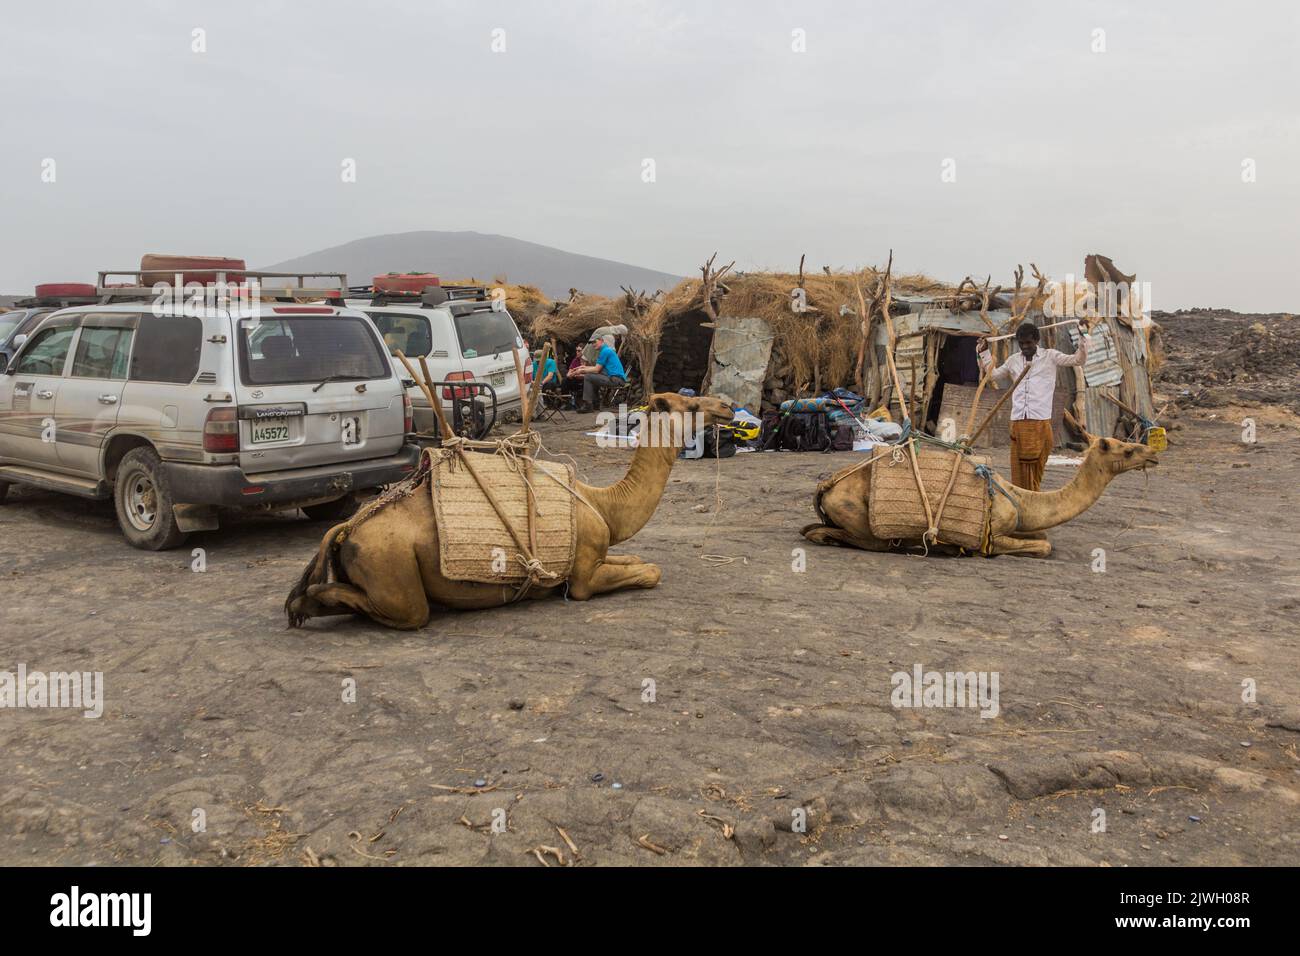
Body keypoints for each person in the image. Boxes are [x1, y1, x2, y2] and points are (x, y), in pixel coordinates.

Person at [976, 321, 1088, 491]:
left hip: (1039, 422)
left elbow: (1078, 359)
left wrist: (1083, 336)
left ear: (1036, 340)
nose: (1025, 346)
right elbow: (994, 375)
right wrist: (984, 352)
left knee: (1036, 467)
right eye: (1021, 343)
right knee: (1018, 468)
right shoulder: (1013, 360)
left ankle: (1033, 497)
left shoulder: (1050, 356)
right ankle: (1021, 498)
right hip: (1018, 422)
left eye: (1029, 342)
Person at [574, 334, 626, 411]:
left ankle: (588, 405)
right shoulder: (605, 350)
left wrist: (581, 371)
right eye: (592, 343)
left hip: (616, 379)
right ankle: (595, 403)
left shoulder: (605, 351)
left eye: (595, 342)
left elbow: (596, 369)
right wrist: (581, 367)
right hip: (614, 378)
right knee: (592, 377)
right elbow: (598, 368)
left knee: (588, 377)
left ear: (601, 341)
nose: (593, 344)